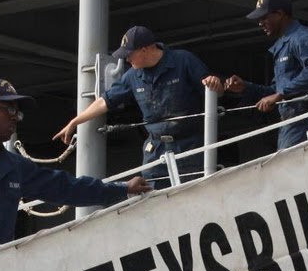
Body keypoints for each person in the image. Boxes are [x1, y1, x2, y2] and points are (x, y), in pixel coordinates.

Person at [0, 78, 152, 266]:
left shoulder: (13, 166)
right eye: (8, 110)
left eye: (17, 112)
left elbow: (64, 187)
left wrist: (121, 189)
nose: (16, 118)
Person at [55, 26, 214, 187]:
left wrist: (216, 85)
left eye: (129, 55)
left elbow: (214, 91)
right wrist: (74, 122)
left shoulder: (183, 60)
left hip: (188, 146)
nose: (127, 60)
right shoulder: (132, 75)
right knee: (152, 199)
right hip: (155, 149)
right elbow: (105, 101)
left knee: (193, 196)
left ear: (144, 50)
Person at [203, 0, 308, 150]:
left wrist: (281, 94)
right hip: (291, 122)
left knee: (287, 170)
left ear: (279, 14)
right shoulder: (281, 45)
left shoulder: (303, 36)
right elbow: (274, 91)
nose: (260, 23)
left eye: (264, 17)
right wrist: (246, 87)